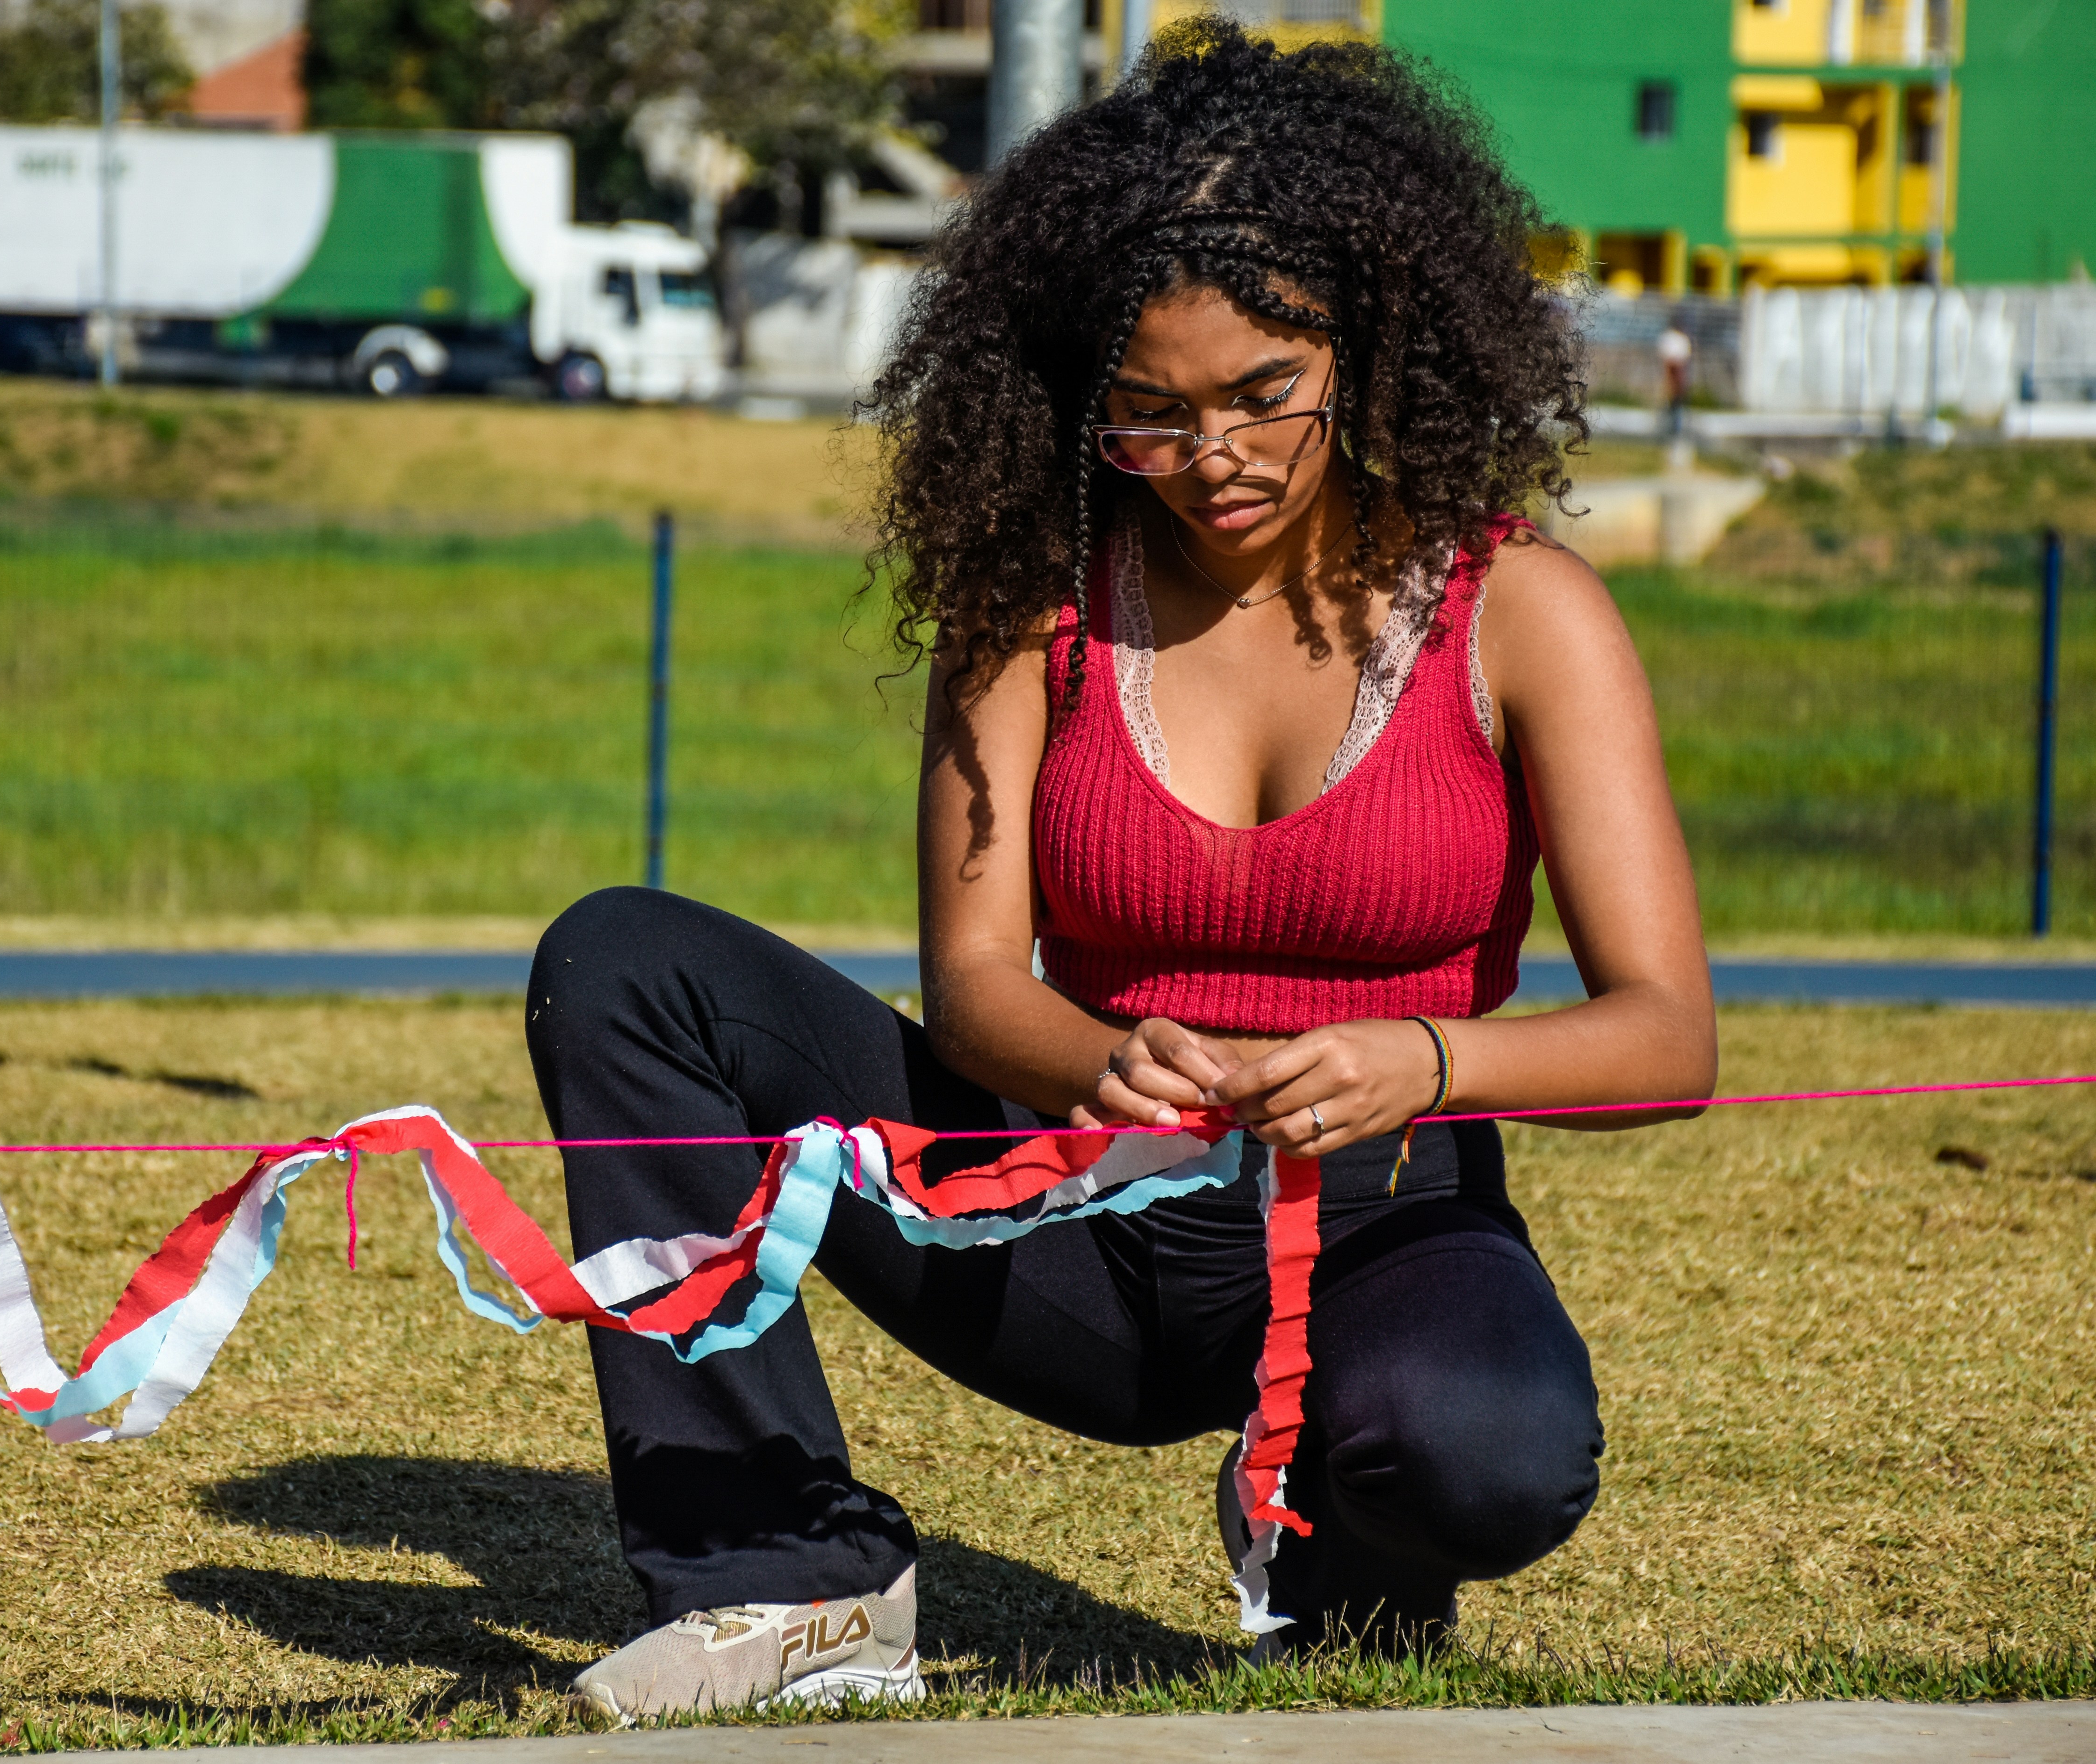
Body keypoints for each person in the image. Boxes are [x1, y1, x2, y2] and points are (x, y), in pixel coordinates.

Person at [526, 20, 1716, 1722]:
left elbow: (1667, 1035)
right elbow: (974, 986)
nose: (1210, 457)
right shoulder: (1030, 603)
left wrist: (1423, 1062)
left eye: (1259, 398)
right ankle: (786, 1590)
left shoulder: (1523, 616)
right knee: (624, 961)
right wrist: (1096, 1062)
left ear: (1367, 358)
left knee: (1492, 1454)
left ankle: (1342, 1554)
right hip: (1058, 1220)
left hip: (1376, 1228)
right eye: (1147, 415)